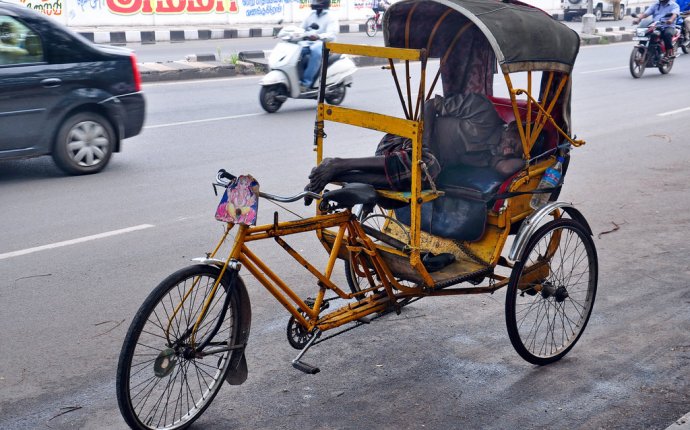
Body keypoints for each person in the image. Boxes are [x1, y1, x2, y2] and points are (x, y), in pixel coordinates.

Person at [305, 93, 527, 197]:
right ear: (510, 127)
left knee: (421, 181)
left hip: (416, 168)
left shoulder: (490, 155)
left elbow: (507, 168)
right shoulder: (483, 112)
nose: (509, 150)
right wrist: (426, 146)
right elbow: (431, 105)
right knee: (427, 165)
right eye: (513, 142)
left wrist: (528, 157)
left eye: (514, 152)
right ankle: (339, 163)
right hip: (401, 141)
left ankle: (336, 174)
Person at [299, 0, 339, 92]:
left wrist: (318, 36)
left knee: (316, 50)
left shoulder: (331, 17)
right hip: (310, 42)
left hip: (326, 44)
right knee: (296, 49)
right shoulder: (311, 15)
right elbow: (301, 28)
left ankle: (306, 83)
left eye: (318, 0)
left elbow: (332, 35)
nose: (314, 2)